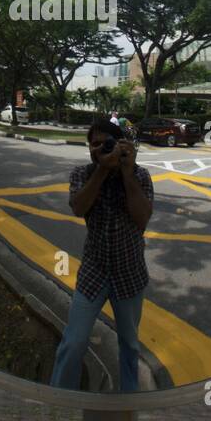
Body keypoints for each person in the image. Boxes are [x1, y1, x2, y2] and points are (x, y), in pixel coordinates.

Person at [50, 119, 154, 392]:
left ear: (120, 145)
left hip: (129, 273)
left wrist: (127, 173)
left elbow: (142, 219)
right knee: (73, 342)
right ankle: (59, 401)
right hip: (94, 272)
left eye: (107, 143)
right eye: (94, 144)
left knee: (130, 345)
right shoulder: (82, 174)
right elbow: (78, 208)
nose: (100, 149)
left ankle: (129, 401)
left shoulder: (140, 175)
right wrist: (101, 171)